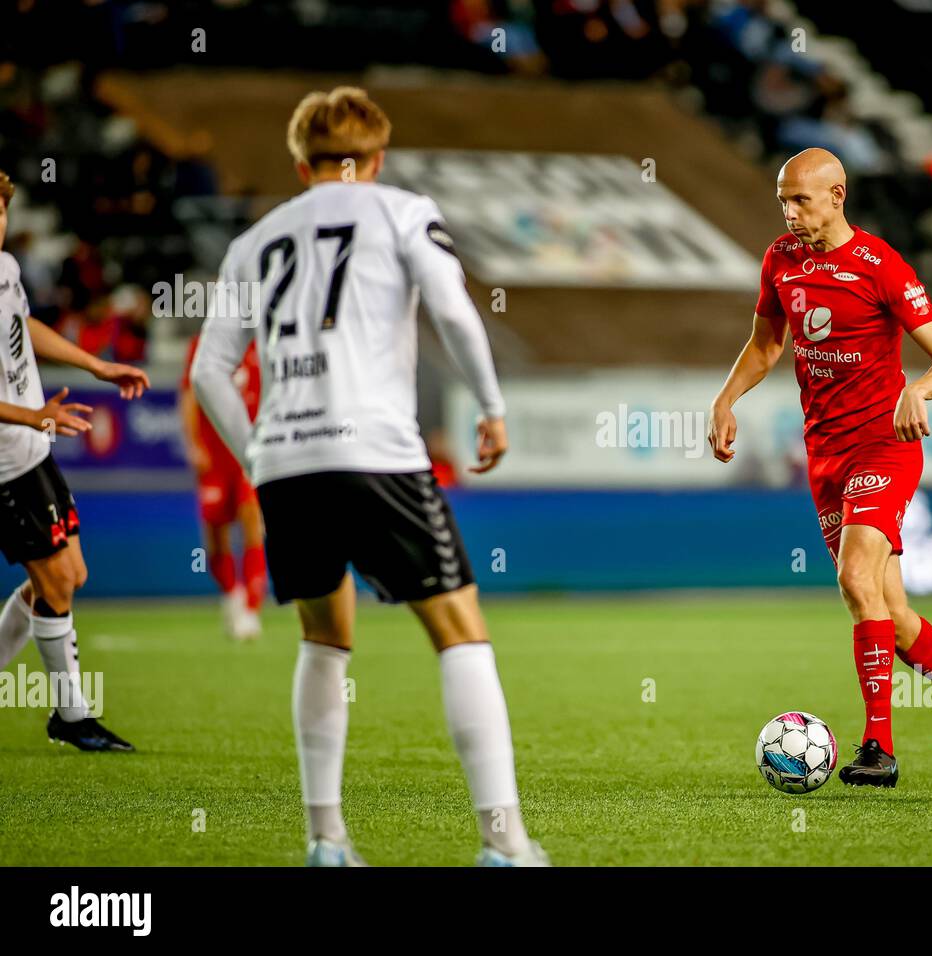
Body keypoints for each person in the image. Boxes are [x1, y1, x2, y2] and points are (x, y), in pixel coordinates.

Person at [191, 87, 547, 866]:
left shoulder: (255, 241)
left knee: (323, 641)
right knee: (459, 632)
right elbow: (453, 310)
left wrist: (258, 453)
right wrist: (490, 405)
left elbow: (209, 371)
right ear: (377, 158)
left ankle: (326, 840)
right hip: (377, 451)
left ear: (300, 164)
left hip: (288, 464)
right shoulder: (400, 210)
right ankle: (505, 844)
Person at [708, 148, 932, 788]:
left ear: (837, 195)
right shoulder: (781, 262)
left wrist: (919, 390)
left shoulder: (881, 266)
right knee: (891, 612)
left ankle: (879, 747)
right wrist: (726, 398)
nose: (788, 211)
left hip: (884, 445)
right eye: (782, 199)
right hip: (824, 454)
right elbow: (768, 343)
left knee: (856, 580)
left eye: (800, 199)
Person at [0, 168, 149, 751]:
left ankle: (69, 715)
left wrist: (95, 365)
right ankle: (72, 716)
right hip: (6, 461)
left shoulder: (6, 270)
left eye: (2, 209)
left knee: (68, 577)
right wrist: (32, 415)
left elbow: (23, 326)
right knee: (57, 580)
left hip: (31, 450)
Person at [178, 335, 265, 639]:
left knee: (252, 519)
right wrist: (193, 444)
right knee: (215, 534)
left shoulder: (262, 340)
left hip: (248, 450)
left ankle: (252, 609)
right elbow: (190, 394)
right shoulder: (203, 342)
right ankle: (232, 595)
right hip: (214, 453)